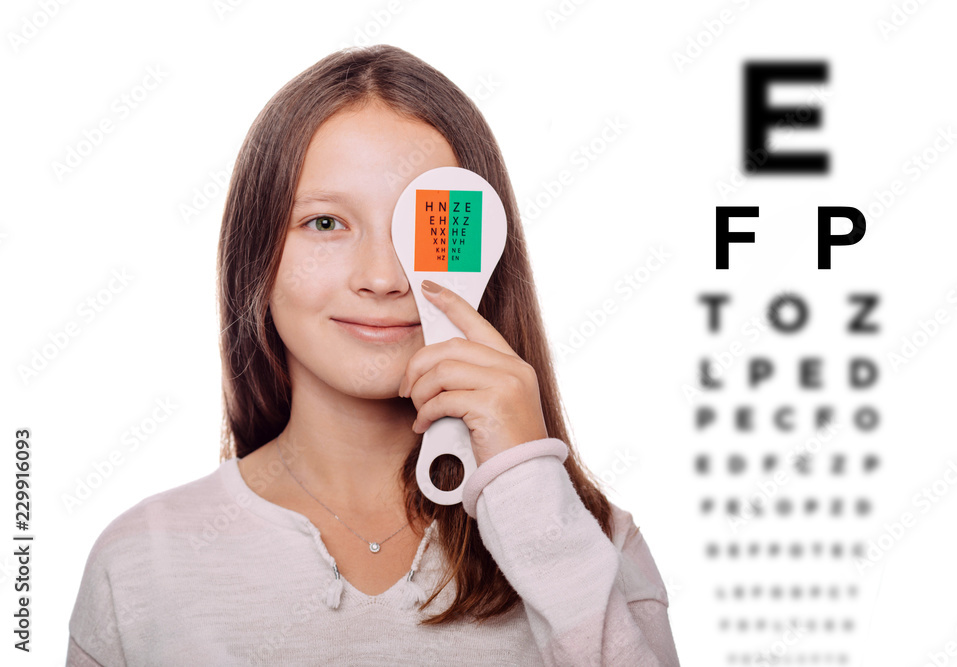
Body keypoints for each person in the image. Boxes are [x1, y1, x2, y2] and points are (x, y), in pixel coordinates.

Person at [66, 44, 681, 666]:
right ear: (256, 254)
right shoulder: (140, 564)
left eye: (424, 226)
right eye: (325, 223)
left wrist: (529, 489)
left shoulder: (597, 548)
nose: (383, 278)